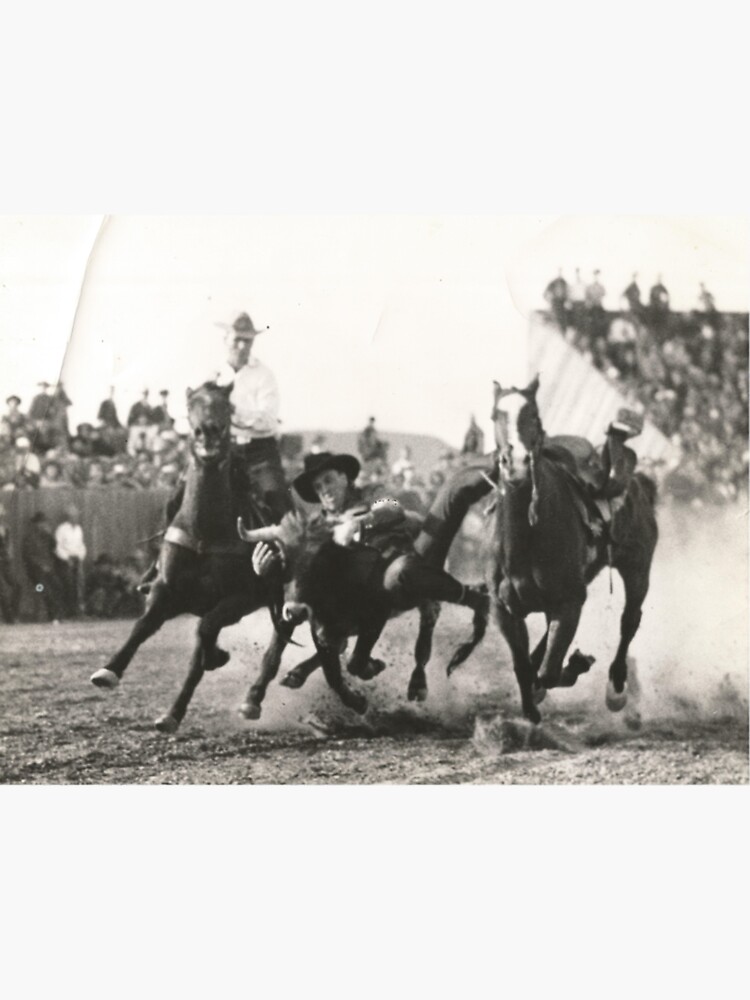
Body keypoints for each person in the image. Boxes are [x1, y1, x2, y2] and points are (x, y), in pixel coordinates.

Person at [255, 451, 488, 615]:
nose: (325, 490)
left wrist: (361, 523)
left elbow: (392, 507)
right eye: (318, 487)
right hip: (354, 592)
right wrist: (268, 570)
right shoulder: (316, 524)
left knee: (407, 569)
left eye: (329, 480)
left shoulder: (373, 492)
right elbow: (301, 566)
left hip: (399, 567)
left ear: (344, 477)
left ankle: (471, 598)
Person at [22, 512, 64, 621]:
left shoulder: (47, 537)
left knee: (58, 586)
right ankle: (52, 616)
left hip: (47, 570)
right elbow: (28, 556)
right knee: (43, 588)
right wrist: (41, 565)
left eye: (44, 523)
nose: (42, 525)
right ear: (35, 524)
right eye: (40, 523)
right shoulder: (29, 538)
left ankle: (58, 614)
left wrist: (51, 535)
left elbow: (55, 549)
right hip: (34, 572)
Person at [54, 505, 87, 616]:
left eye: (77, 516)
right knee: (68, 586)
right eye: (74, 516)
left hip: (77, 559)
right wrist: (67, 559)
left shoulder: (78, 529)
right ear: (69, 517)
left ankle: (78, 611)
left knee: (79, 586)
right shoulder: (62, 529)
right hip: (65, 560)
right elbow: (58, 547)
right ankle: (68, 612)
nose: (76, 518)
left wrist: (80, 558)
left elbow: (81, 545)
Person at [0, 502, 20, 622]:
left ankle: (13, 614)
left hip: (5, 562)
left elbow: (9, 546)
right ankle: (9, 618)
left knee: (17, 586)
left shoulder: (6, 528)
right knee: (2, 589)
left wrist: (8, 556)